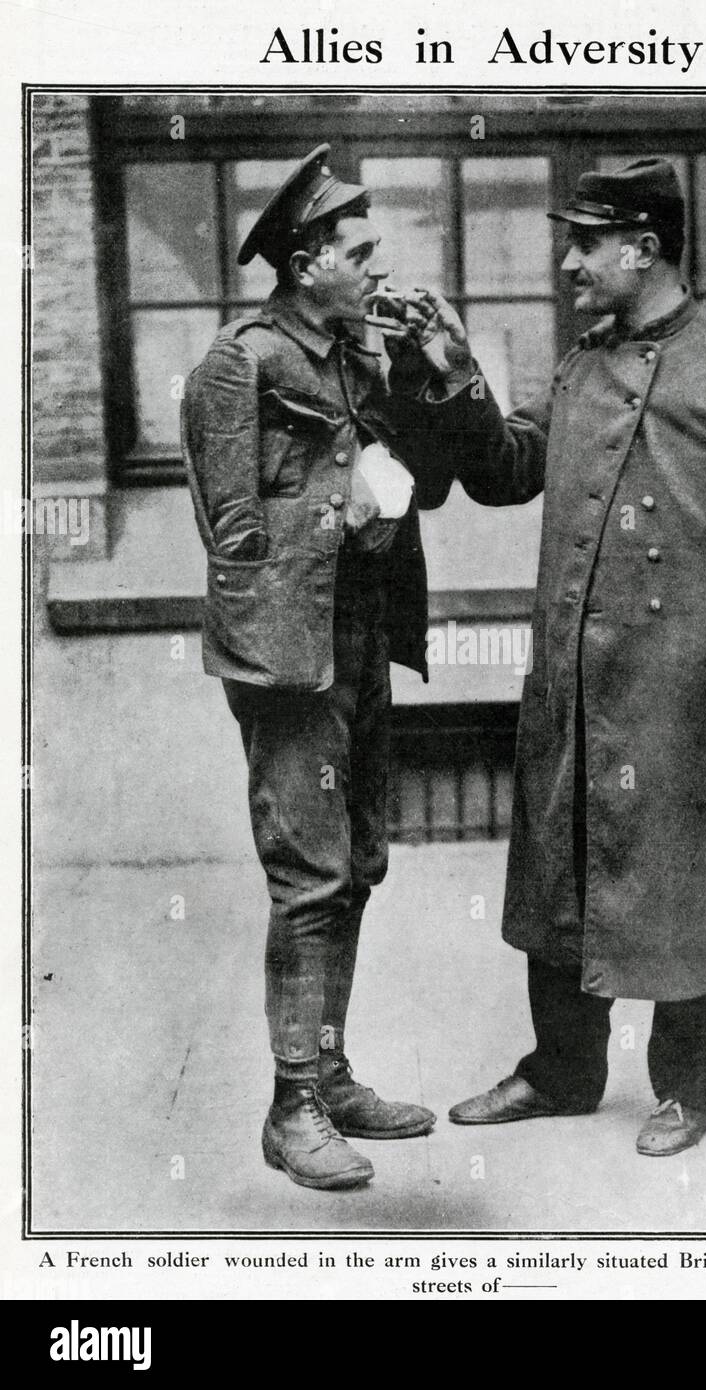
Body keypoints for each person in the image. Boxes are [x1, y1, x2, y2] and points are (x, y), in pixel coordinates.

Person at [385, 158, 706, 1157]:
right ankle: (560, 1070)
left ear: (644, 247)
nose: (567, 260)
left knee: (689, 878)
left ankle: (691, 1087)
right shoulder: (581, 364)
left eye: (587, 241)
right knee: (557, 873)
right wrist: (452, 368)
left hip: (681, 696)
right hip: (576, 685)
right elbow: (503, 471)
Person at [180, 145, 449, 1190]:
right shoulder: (238, 362)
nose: (376, 265)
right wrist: (348, 508)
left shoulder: (354, 353)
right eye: (359, 250)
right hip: (286, 653)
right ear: (304, 261)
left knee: (361, 861)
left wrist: (430, 367)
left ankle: (328, 1072)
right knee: (310, 877)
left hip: (357, 641)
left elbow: (410, 449)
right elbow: (233, 534)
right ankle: (290, 1104)